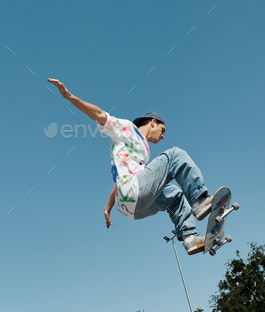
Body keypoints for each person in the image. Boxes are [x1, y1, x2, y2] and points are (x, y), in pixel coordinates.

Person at [47, 79, 213, 254]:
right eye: (162, 130)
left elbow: (120, 181)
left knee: (175, 196)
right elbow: (98, 114)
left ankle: (189, 239)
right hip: (134, 192)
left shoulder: (143, 150)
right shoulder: (127, 128)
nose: (163, 136)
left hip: (130, 208)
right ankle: (199, 200)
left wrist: (108, 208)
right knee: (175, 155)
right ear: (153, 122)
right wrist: (69, 96)